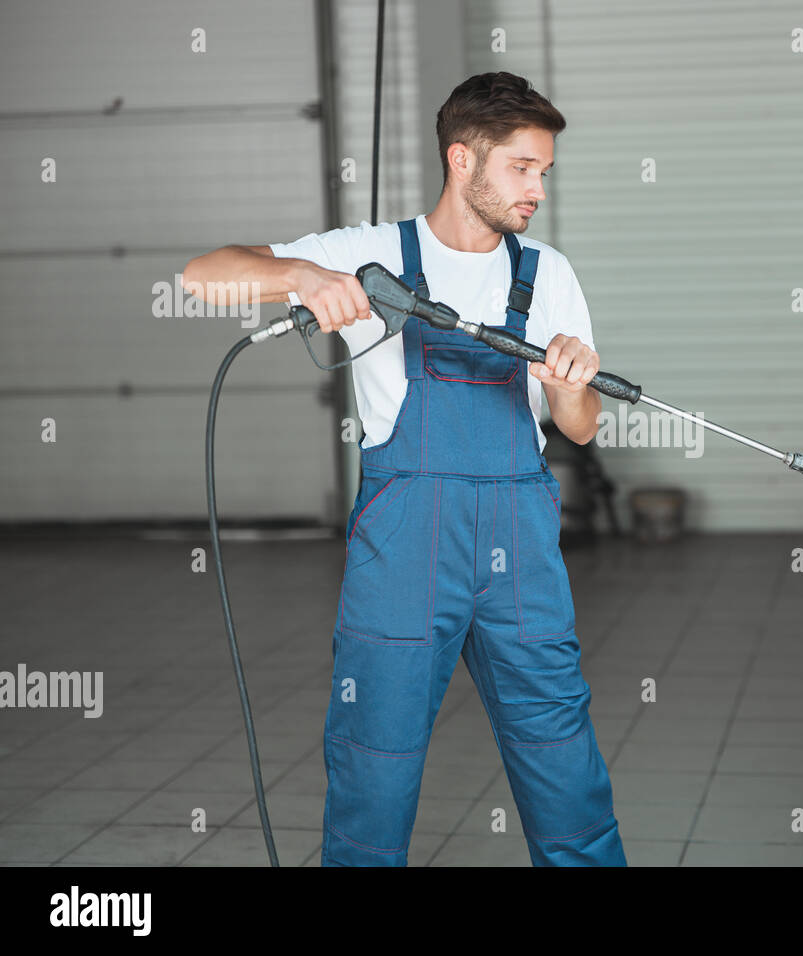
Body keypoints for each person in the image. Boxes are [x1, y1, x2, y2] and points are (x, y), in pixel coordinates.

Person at [183, 72, 627, 867]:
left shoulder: (547, 273)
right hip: (405, 545)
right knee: (373, 766)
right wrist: (306, 278)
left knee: (562, 759)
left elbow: (583, 430)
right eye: (522, 169)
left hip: (519, 548)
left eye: (544, 173)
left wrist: (570, 387)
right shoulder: (371, 254)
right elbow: (203, 275)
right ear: (463, 160)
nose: (537, 190)